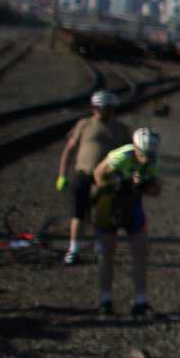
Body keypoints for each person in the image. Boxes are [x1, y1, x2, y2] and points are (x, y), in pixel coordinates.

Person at [90, 127, 163, 317]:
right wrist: (116, 183)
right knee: (107, 254)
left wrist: (144, 185)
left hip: (132, 205)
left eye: (148, 154)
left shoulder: (153, 161)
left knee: (140, 253)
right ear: (135, 148)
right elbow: (98, 174)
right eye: (141, 154)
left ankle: (140, 300)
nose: (145, 158)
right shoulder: (122, 156)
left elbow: (156, 190)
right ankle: (105, 300)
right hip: (110, 204)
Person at [54, 90, 125, 264]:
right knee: (78, 214)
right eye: (97, 108)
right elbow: (69, 149)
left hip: (107, 178)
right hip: (83, 175)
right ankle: (74, 249)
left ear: (112, 109)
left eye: (104, 108)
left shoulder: (121, 129)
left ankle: (101, 250)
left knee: (103, 216)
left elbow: (129, 154)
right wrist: (62, 175)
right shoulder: (84, 124)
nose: (100, 111)